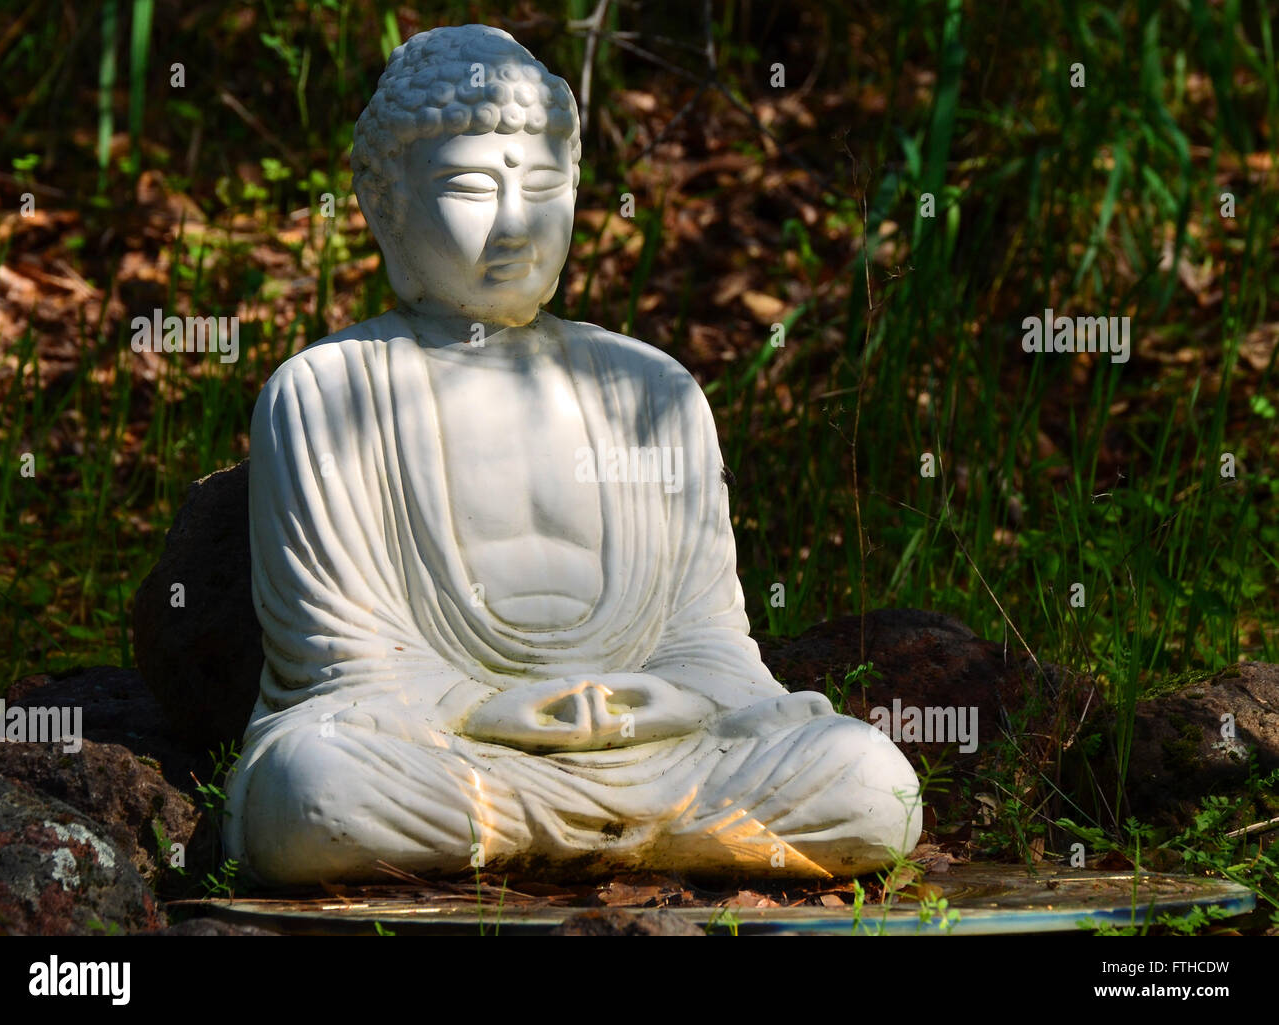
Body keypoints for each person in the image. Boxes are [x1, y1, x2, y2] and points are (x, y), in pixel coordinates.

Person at [223, 24, 921, 886]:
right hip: (452, 753)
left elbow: (711, 638)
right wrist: (496, 709)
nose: (516, 224)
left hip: (661, 755)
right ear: (384, 199)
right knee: (315, 790)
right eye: (471, 186)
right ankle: (659, 839)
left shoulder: (650, 386)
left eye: (545, 184)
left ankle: (570, 839)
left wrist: (675, 701)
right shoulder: (326, 392)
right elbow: (341, 662)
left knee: (871, 781)